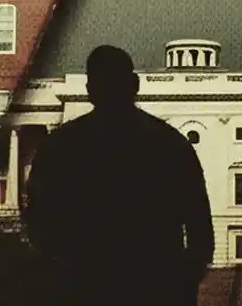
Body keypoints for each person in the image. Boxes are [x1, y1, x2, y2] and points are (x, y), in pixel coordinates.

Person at [24, 45, 214, 306]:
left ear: (90, 90)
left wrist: (58, 271)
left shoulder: (60, 145)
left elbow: (38, 220)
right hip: (156, 283)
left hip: (84, 284)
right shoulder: (171, 144)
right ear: (134, 85)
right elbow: (199, 224)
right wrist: (183, 281)